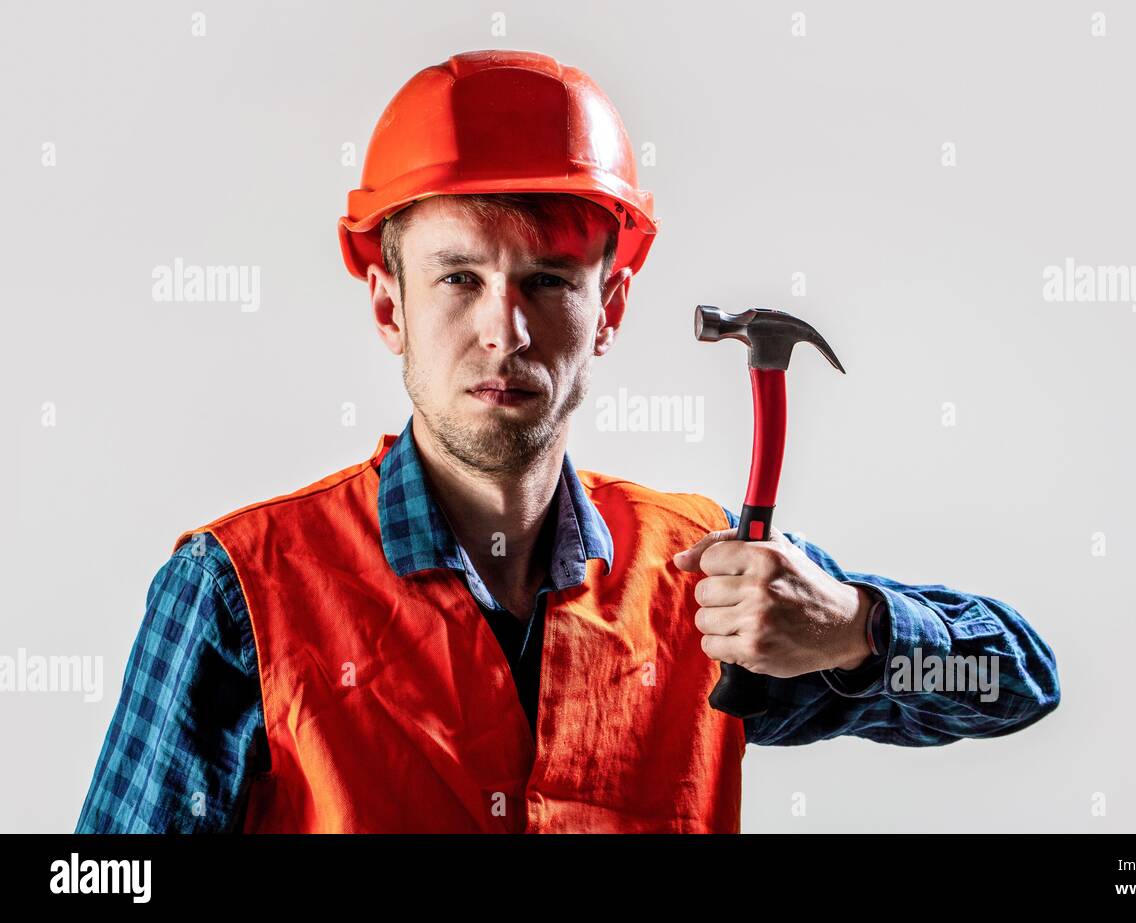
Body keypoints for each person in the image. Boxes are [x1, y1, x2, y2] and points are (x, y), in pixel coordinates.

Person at [75, 50, 1059, 834]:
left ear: (609, 306)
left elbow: (1013, 680)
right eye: (458, 277)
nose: (503, 329)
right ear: (389, 303)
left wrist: (855, 626)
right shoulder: (240, 589)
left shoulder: (701, 580)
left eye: (546, 280)